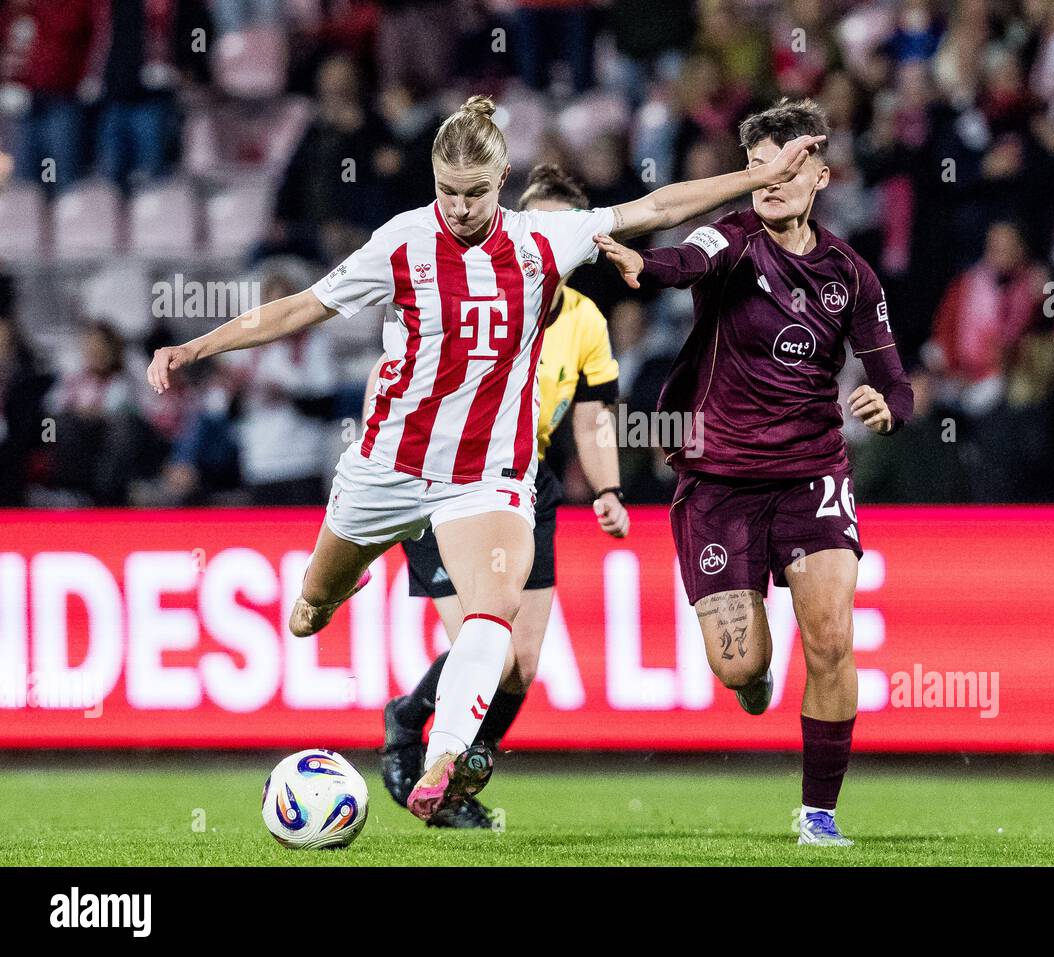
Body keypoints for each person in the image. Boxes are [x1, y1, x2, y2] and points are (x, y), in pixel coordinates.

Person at [147, 94, 825, 823]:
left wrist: (751, 182)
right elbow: (301, 307)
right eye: (448, 193)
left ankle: (445, 756)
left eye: (474, 194)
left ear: (501, 183)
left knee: (494, 611)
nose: (461, 208)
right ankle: (330, 606)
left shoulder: (542, 240)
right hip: (387, 467)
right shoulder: (402, 242)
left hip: (486, 476)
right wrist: (196, 345)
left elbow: (657, 206)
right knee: (310, 610)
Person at [595, 98, 913, 846]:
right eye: (759, 167)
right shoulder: (733, 239)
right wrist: (645, 263)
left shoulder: (851, 273)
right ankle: (755, 678)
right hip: (721, 480)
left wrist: (888, 406)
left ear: (819, 176)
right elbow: (685, 260)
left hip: (812, 474)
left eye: (787, 165)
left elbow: (895, 378)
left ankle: (819, 811)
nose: (771, 180)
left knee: (832, 639)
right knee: (741, 669)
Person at [374, 164, 629, 828]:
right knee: (485, 644)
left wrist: (607, 486)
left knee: (521, 664)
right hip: (444, 475)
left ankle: (456, 762)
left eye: (555, 226)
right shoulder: (476, 287)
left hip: (525, 480)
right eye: (529, 220)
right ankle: (416, 737)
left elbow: (594, 409)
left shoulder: (585, 320)